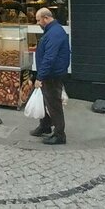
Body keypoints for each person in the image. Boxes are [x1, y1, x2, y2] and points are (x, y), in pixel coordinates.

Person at [29, 8, 70, 145]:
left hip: (52, 75)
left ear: (46, 18)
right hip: (49, 73)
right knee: (45, 101)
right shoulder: (53, 31)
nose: (37, 23)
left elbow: (49, 58)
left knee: (53, 104)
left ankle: (60, 134)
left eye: (38, 20)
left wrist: (40, 77)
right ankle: (45, 126)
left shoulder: (54, 33)